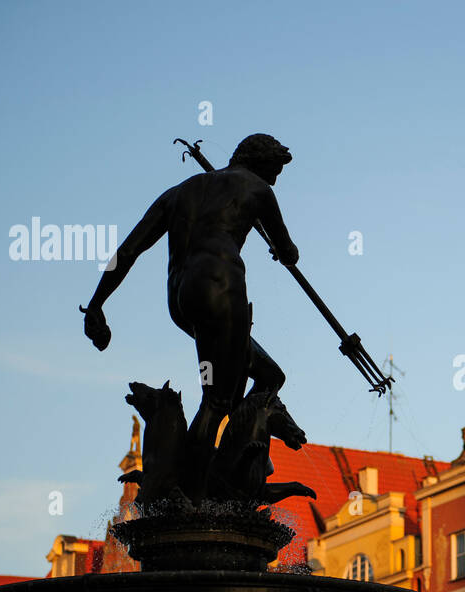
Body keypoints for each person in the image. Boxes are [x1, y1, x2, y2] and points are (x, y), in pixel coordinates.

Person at [80, 134, 307, 494]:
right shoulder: (258, 188)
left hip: (182, 299)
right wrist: (285, 251)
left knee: (267, 375)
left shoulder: (179, 192)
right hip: (221, 288)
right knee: (216, 401)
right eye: (275, 171)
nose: (275, 179)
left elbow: (129, 249)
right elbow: (288, 250)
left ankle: (228, 463)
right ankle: (197, 497)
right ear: (262, 164)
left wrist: (97, 304)